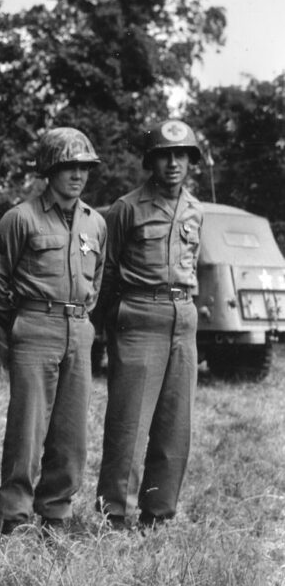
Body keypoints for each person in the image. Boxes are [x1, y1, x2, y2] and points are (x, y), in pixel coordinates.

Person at [0, 128, 106, 535]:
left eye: (83, 167)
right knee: (28, 427)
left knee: (71, 430)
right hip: (35, 325)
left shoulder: (96, 223)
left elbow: (97, 280)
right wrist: (23, 324)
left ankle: (56, 511)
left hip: (78, 327)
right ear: (49, 170)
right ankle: (14, 514)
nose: (77, 175)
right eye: (67, 166)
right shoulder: (20, 218)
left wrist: (79, 318)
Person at [95, 120, 203, 530]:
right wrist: (104, 327)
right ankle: (115, 515)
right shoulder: (127, 208)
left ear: (191, 161)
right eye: (164, 155)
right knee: (129, 422)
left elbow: (196, 265)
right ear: (150, 160)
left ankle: (158, 514)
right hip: (139, 316)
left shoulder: (196, 209)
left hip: (183, 318)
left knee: (176, 424)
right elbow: (108, 271)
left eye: (181, 155)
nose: (173, 163)